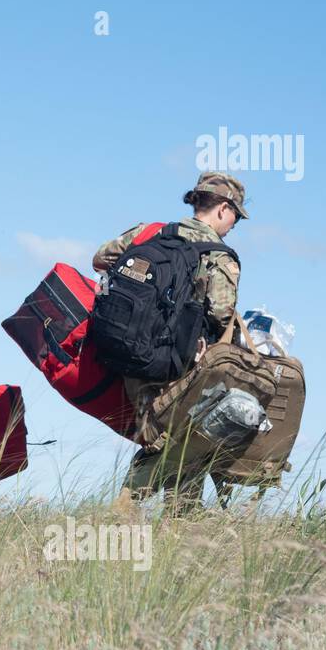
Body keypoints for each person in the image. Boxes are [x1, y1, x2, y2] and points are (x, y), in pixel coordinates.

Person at [93, 171, 246, 514]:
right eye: (236, 215)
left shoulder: (147, 233)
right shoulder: (220, 256)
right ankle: (123, 512)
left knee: (176, 441)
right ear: (223, 208)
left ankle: (183, 523)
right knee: (181, 441)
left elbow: (100, 259)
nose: (234, 224)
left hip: (130, 353)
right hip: (177, 364)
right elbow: (222, 312)